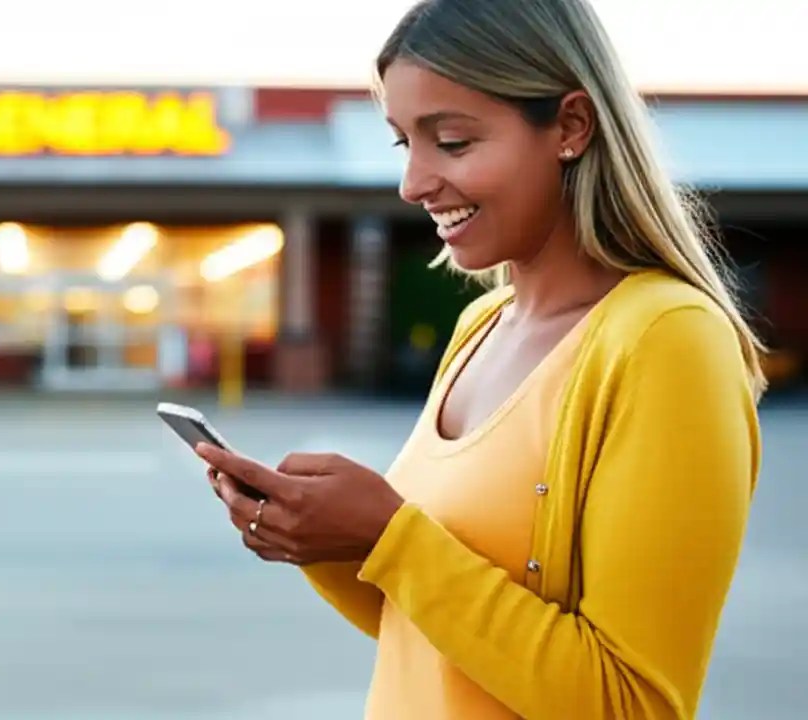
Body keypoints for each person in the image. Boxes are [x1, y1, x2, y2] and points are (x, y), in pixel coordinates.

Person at [195, 0, 764, 718]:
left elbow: (633, 703)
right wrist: (322, 539)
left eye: (454, 142)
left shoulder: (666, 340)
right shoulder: (481, 325)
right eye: (406, 144)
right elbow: (436, 630)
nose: (414, 183)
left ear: (570, 127)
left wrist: (389, 537)